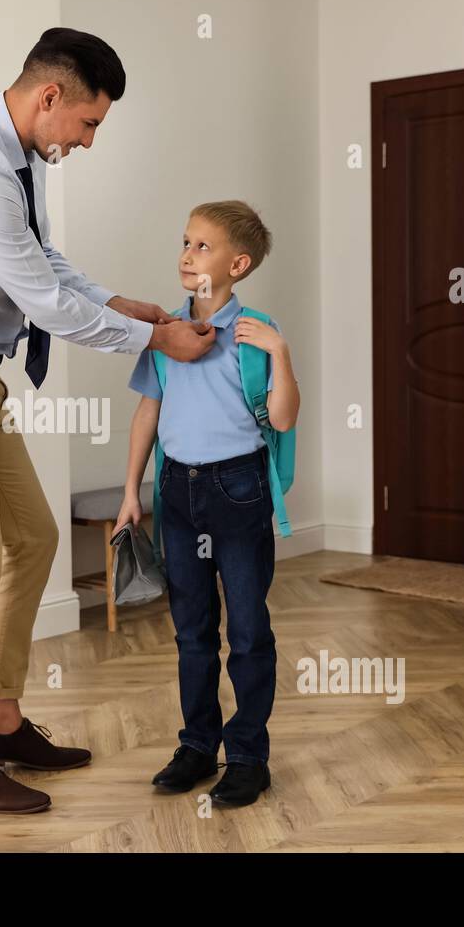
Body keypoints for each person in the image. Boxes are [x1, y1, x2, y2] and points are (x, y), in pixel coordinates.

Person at [0, 27, 216, 815]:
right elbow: (42, 302)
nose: (88, 142)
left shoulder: (21, 155)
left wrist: (114, 301)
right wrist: (155, 335)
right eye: (89, 124)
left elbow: (42, 264)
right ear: (50, 96)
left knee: (32, 537)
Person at [115, 200, 300, 806]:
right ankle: (197, 745)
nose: (188, 254)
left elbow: (282, 417)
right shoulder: (165, 331)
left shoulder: (255, 334)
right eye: (186, 241)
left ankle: (248, 755)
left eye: (203, 246)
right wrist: (130, 493)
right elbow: (150, 410)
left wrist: (281, 354)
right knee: (192, 630)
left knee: (247, 630)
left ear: (237, 265)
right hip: (178, 492)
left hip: (238, 490)